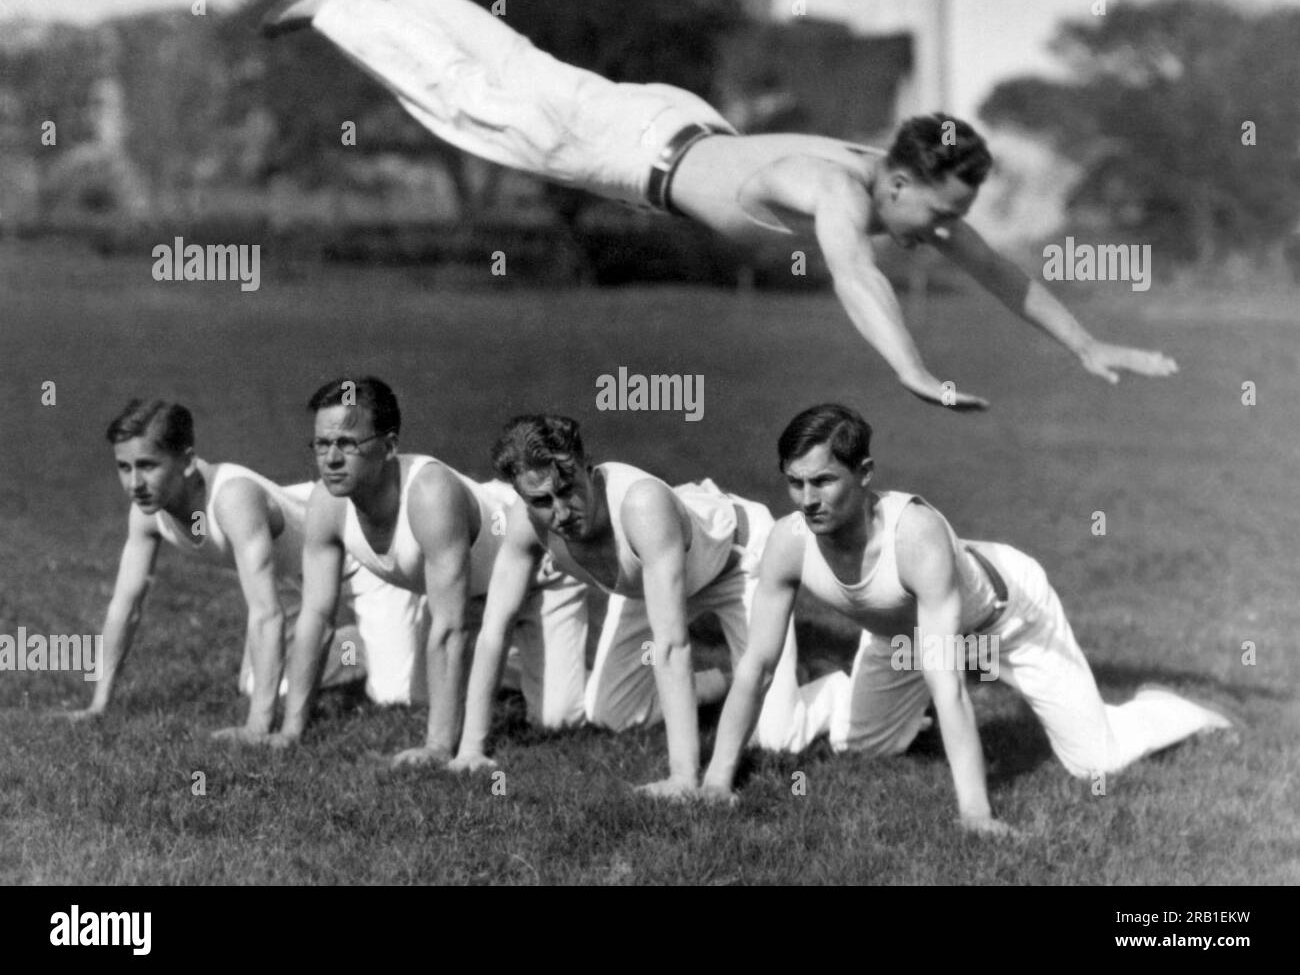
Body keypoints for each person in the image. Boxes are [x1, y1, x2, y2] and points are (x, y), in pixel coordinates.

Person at [261, 0, 1178, 411]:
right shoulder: (836, 192)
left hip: (673, 121)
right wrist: (912, 369)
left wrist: (1087, 344)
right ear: (899, 183)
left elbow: (998, 269)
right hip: (640, 150)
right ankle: (350, 2)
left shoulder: (889, 176)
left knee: (524, 71)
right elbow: (857, 277)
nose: (939, 234)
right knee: (480, 108)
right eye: (937, 213)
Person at [696, 403, 1235, 833]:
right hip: (902, 635)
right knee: (858, 748)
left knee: (1097, 763)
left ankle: (1167, 708)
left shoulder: (916, 537)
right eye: (795, 483)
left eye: (824, 481)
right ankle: (839, 691)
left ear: (864, 474)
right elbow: (757, 666)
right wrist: (718, 780)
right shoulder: (789, 544)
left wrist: (975, 813)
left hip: (1009, 622)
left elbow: (948, 685)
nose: (807, 500)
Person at [448, 414, 848, 797]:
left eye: (568, 488)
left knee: (780, 738)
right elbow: (494, 629)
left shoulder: (641, 508)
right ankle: (735, 678)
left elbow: (672, 646)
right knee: (611, 713)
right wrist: (470, 749)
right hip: (652, 577)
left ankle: (831, 686)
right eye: (542, 500)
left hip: (738, 564)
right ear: (520, 495)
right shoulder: (527, 523)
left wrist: (682, 778)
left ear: (589, 468)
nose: (562, 511)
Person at [262, 378, 590, 764]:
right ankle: (498, 664)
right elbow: (315, 616)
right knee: (403, 694)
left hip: (538, 579)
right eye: (322, 443)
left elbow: (449, 627)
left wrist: (437, 746)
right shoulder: (325, 503)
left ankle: (552, 654)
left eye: (348, 443)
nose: (331, 459)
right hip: (465, 599)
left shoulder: (430, 494)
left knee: (559, 719)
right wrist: (290, 731)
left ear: (389, 446)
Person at [62, 399, 424, 739]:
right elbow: (126, 606)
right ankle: (354, 644)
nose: (134, 483)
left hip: (357, 560)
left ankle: (433, 618)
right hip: (293, 575)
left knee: (395, 694)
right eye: (124, 467)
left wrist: (257, 726)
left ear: (187, 462)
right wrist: (99, 704)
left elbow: (266, 615)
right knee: (261, 685)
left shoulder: (232, 499)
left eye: (148, 466)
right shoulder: (146, 513)